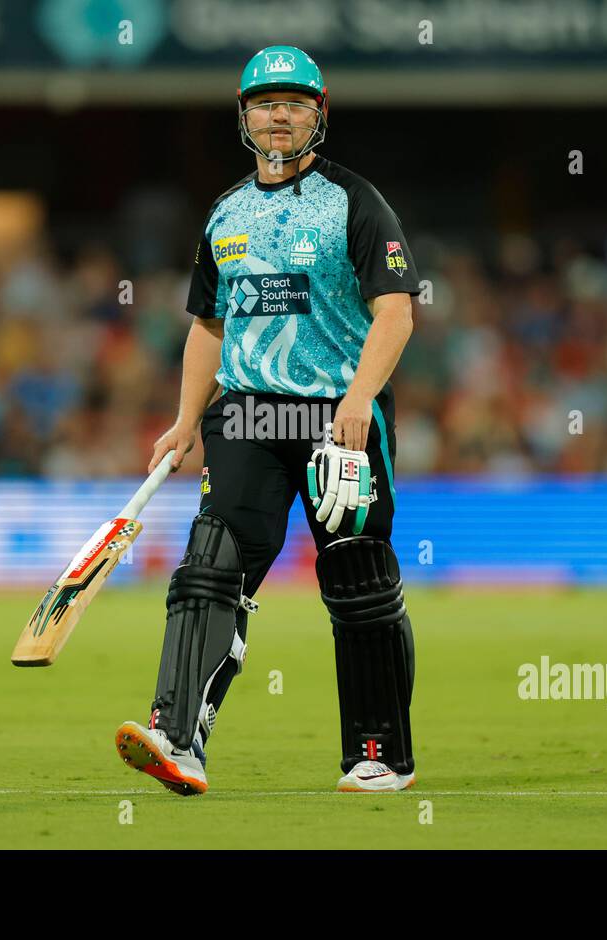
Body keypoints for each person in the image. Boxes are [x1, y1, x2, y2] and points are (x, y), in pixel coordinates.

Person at [115, 44, 420, 794]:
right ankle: (176, 738)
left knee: (358, 579)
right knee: (209, 567)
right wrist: (187, 420)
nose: (278, 115)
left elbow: (396, 312)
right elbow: (208, 327)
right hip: (246, 416)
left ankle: (378, 756)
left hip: (337, 419)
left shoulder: (355, 202)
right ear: (244, 117)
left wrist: (357, 400)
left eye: (294, 103)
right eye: (264, 103)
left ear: (319, 115)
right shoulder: (226, 214)